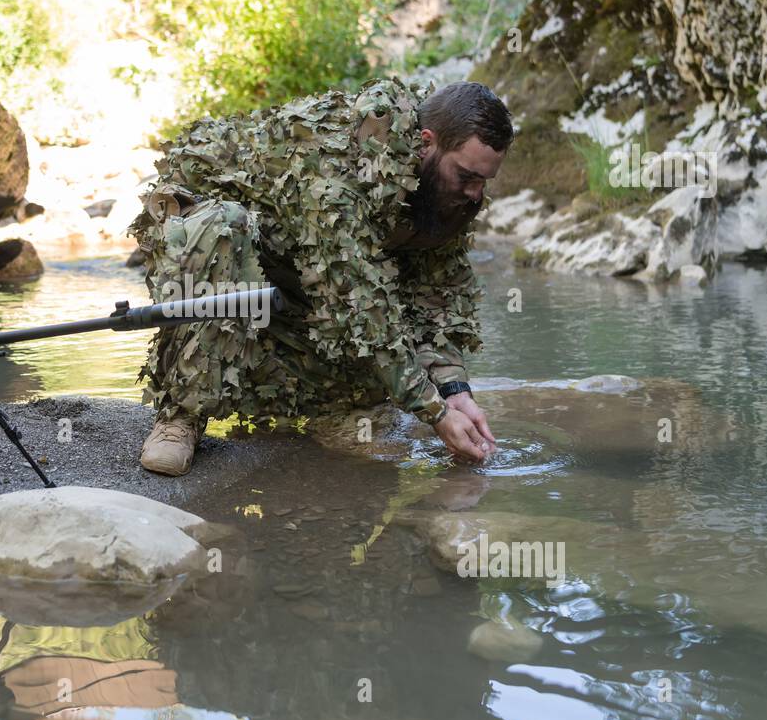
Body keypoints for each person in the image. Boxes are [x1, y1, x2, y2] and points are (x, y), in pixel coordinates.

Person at [128, 79, 511, 476]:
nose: (475, 193)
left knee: (362, 386)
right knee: (221, 226)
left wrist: (455, 392)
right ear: (427, 143)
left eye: (484, 181)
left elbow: (438, 296)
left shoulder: (443, 190)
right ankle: (181, 415)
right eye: (467, 176)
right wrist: (434, 411)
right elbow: (358, 304)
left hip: (290, 268)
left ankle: (302, 403)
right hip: (203, 238)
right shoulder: (338, 166)